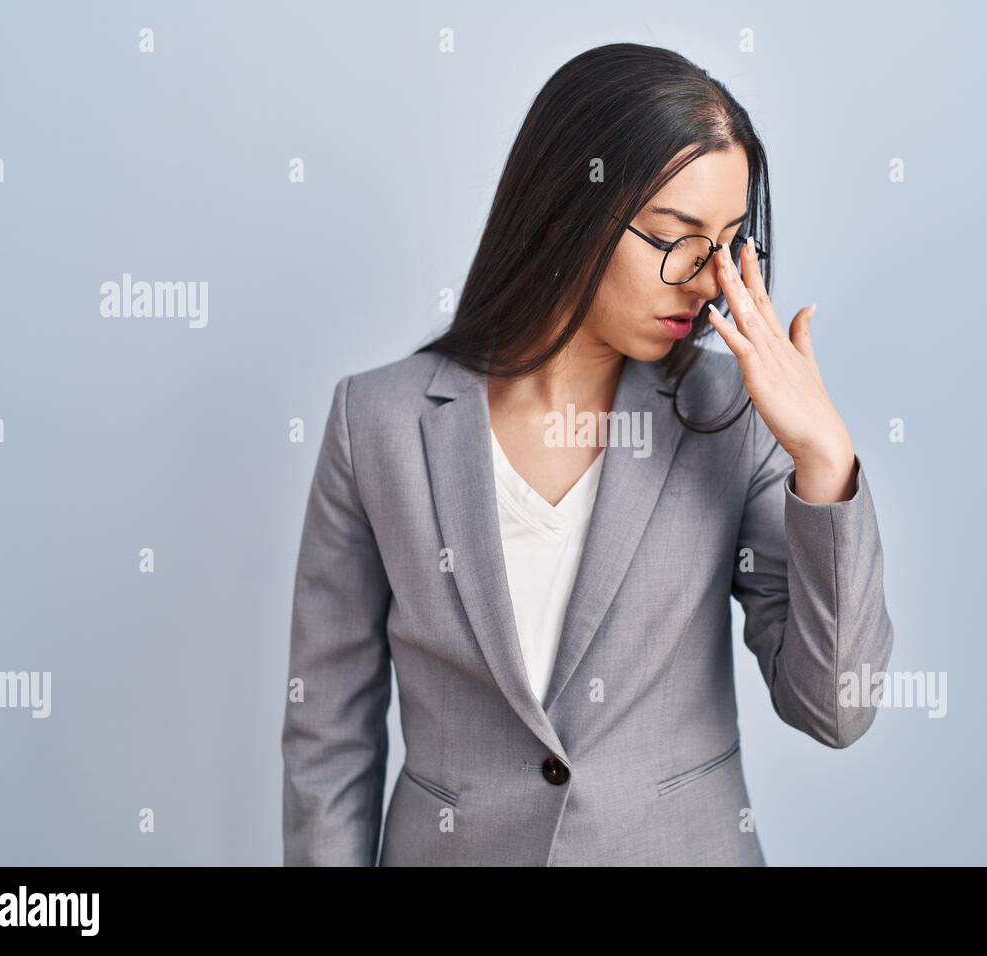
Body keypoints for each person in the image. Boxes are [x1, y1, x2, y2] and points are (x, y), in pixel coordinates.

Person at [281, 42, 894, 867]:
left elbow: (836, 708)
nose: (710, 281)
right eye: (676, 239)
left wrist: (825, 460)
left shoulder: (734, 416)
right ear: (568, 210)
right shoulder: (377, 422)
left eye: (729, 242)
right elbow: (328, 735)